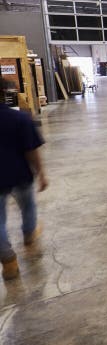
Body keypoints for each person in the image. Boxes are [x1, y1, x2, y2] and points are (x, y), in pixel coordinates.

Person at [0, 79, 47, 280]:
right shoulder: (19, 119)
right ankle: (29, 234)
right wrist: (41, 173)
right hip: (19, 174)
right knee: (27, 206)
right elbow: (31, 150)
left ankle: (8, 261)